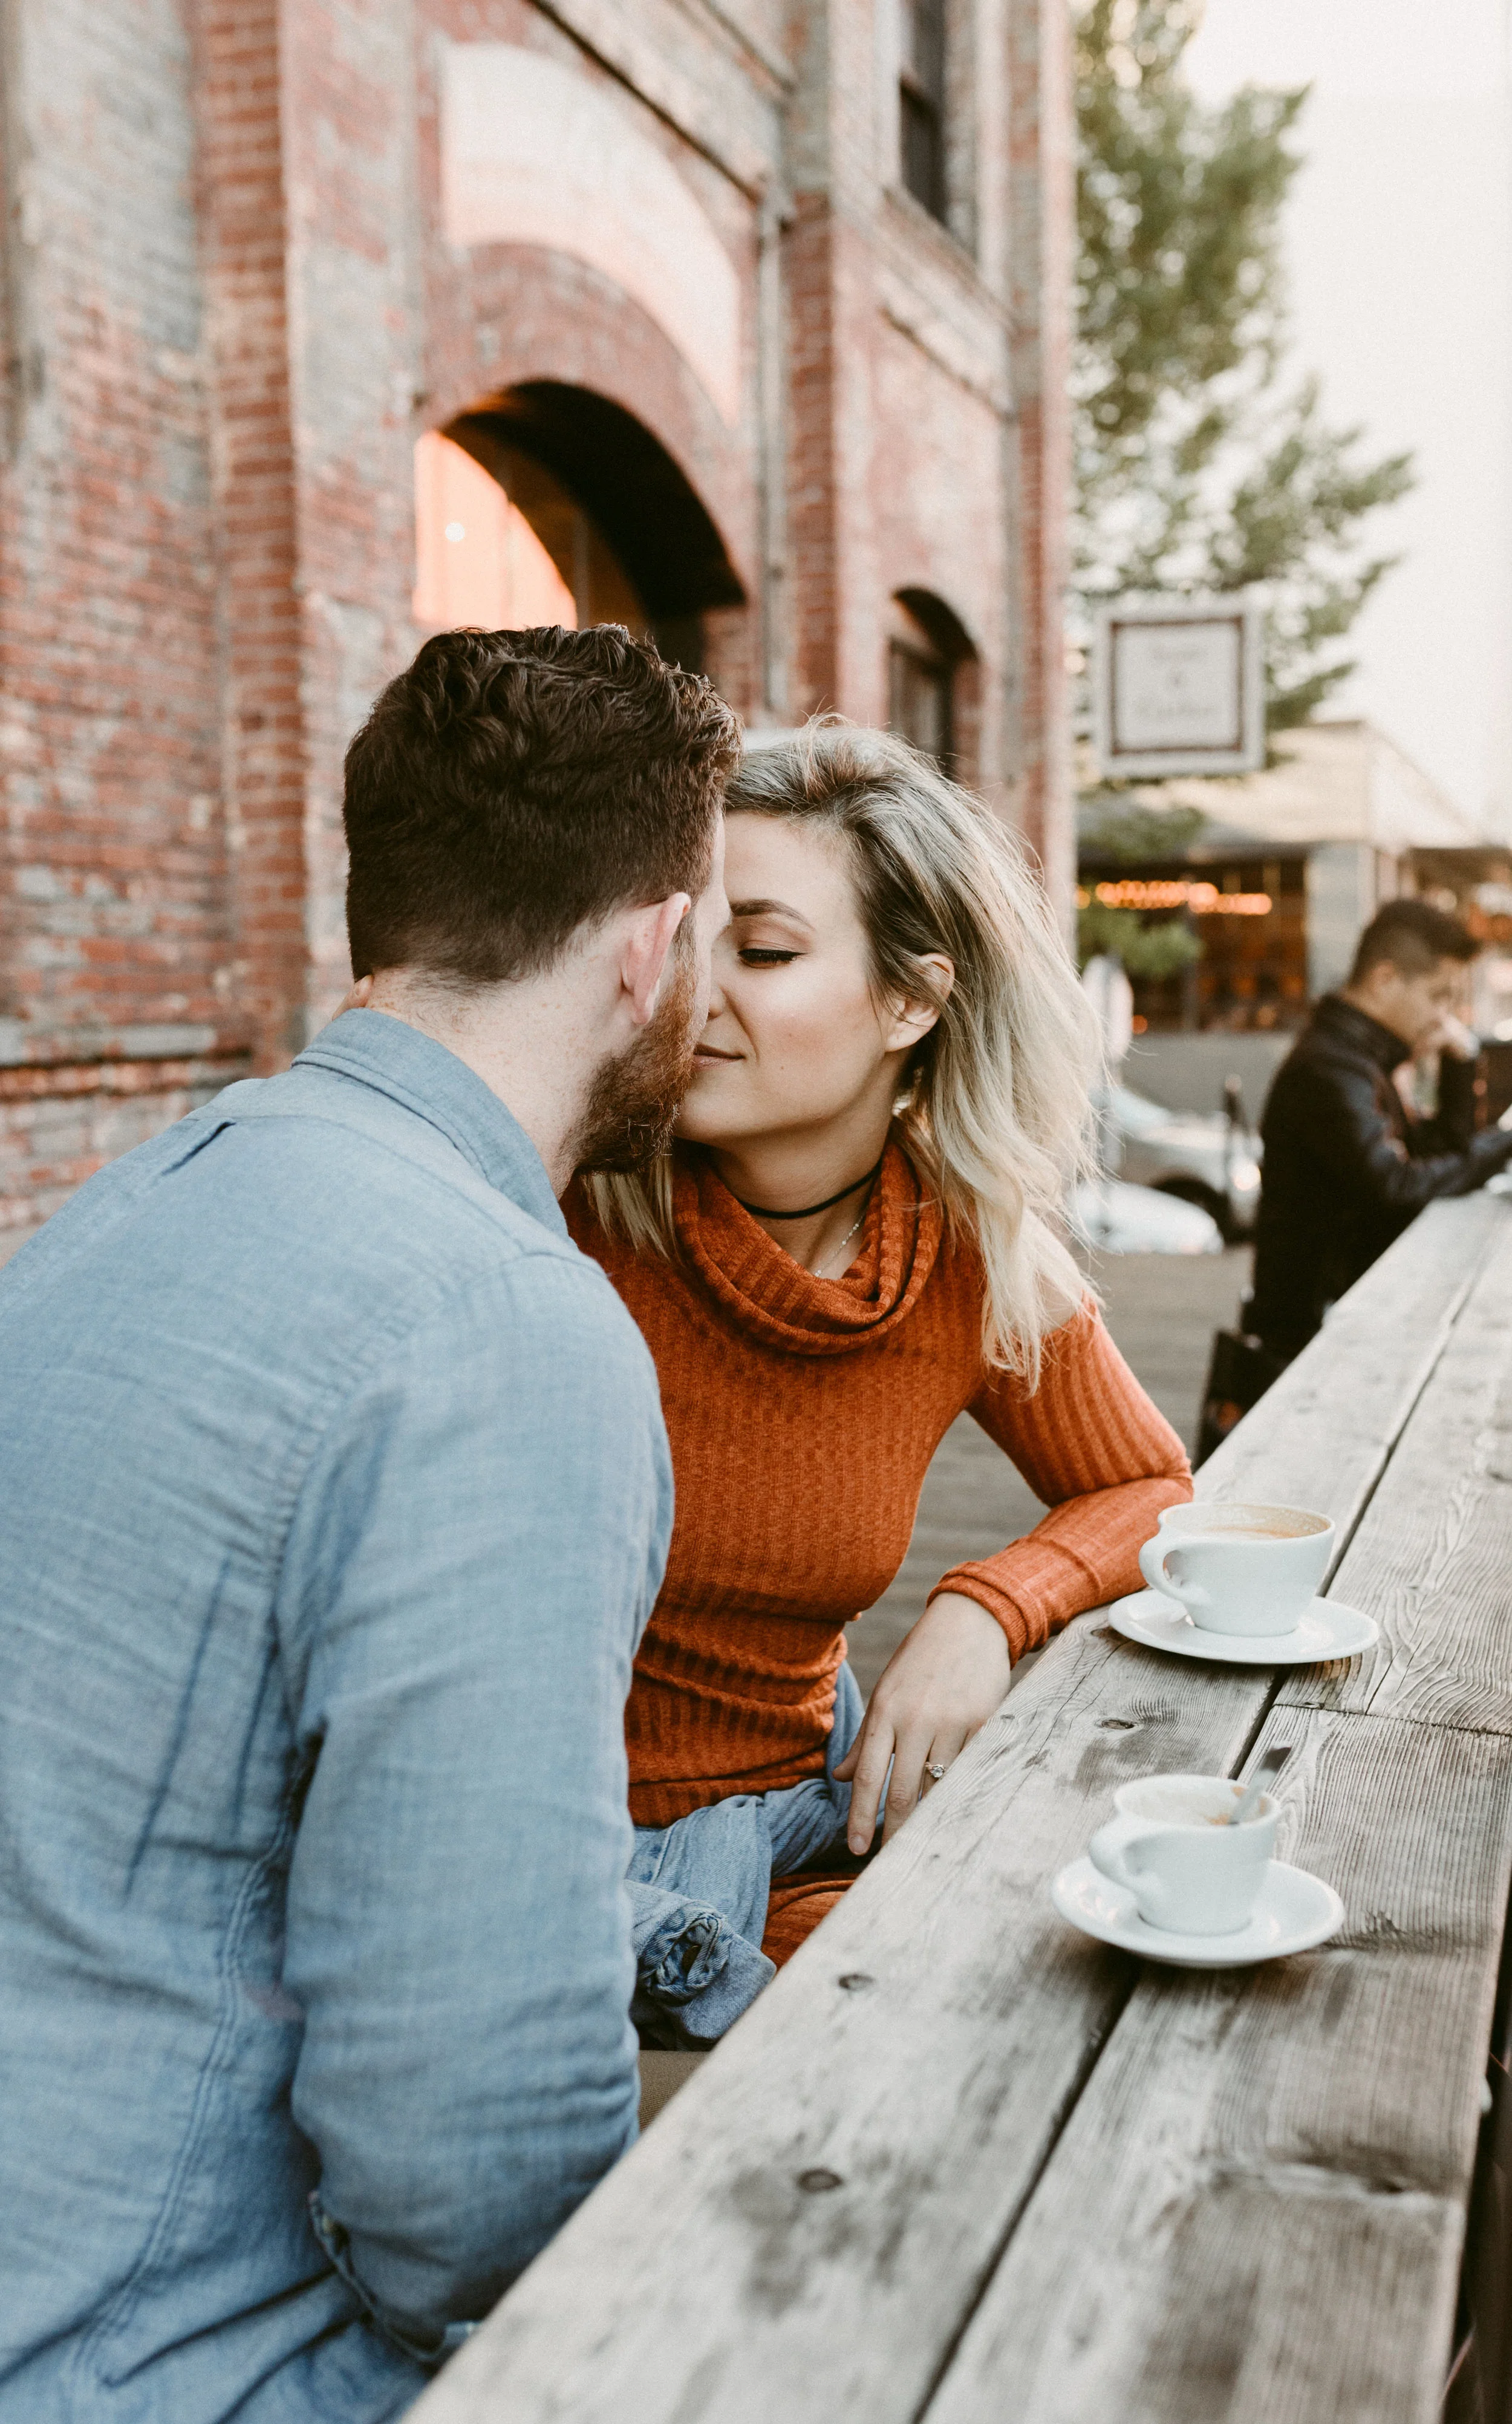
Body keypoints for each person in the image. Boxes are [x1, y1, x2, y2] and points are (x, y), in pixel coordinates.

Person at [0, 625, 737, 2420]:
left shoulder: (120, 1207)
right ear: (650, 946)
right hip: (166, 2353)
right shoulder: (506, 1326)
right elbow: (473, 2171)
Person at [567, 722, 1192, 2037]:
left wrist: (986, 1608)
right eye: (688, 942)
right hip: (559, 1878)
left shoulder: (966, 1256)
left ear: (914, 1000)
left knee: (1074, 1994)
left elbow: (1149, 1490)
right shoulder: (566, 1208)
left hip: (801, 1824)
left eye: (766, 951)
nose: (699, 992)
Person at [1250, 897, 1512, 1360]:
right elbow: (1394, 1186)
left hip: (1339, 1326)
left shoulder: (1363, 1060)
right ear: (1385, 979)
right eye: (1438, 995)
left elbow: (1437, 1157)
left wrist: (1461, 1063)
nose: (1445, 1016)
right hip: (1310, 1342)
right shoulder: (1331, 1068)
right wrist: (1506, 1144)